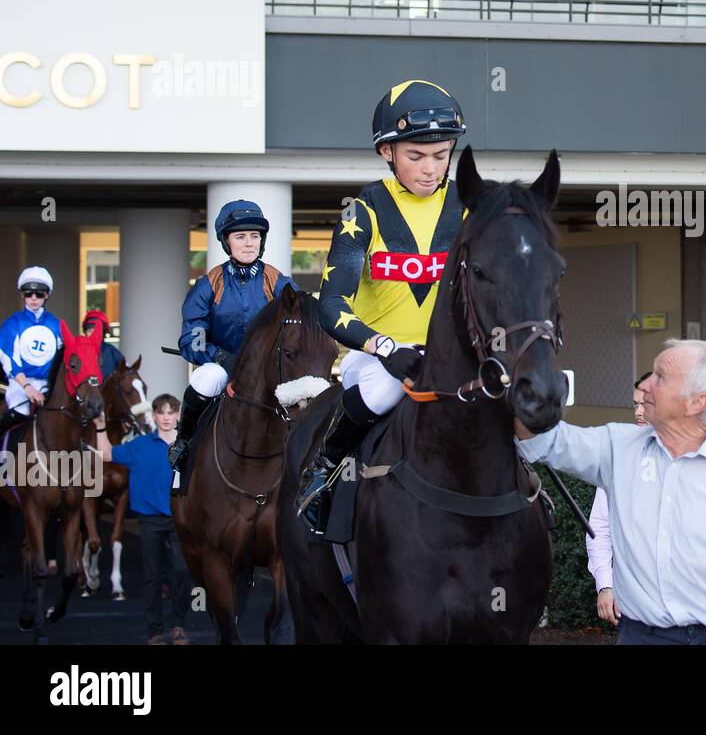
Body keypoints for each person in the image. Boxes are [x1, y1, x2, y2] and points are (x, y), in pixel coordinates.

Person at [517, 339, 706, 645]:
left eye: (660, 377)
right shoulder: (617, 448)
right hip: (641, 637)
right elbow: (545, 442)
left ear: (696, 403)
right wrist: (510, 378)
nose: (645, 385)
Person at [295, 80, 468, 534]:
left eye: (441, 154)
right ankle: (323, 471)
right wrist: (386, 347)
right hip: (375, 359)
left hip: (447, 359)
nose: (431, 168)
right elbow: (331, 305)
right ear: (387, 153)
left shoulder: (470, 208)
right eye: (416, 156)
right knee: (384, 391)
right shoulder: (362, 211)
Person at [170, 200, 297, 473]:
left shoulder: (279, 282)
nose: (249, 243)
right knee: (206, 379)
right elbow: (192, 339)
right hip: (223, 368)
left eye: (255, 236)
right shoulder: (208, 285)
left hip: (270, 370)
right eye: (240, 237)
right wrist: (218, 356)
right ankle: (184, 442)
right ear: (227, 242)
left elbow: (298, 326)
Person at [97, 393, 191, 645]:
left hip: (179, 519)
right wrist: (100, 425)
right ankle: (155, 630)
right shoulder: (140, 445)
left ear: (178, 415)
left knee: (183, 571)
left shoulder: (188, 446)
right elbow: (106, 454)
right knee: (151, 577)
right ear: (154, 416)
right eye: (162, 413)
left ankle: (178, 624)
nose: (167, 418)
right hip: (149, 520)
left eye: (171, 413)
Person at [588, 371, 652, 626]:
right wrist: (605, 585)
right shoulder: (619, 458)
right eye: (635, 405)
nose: (638, 412)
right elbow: (599, 527)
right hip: (633, 600)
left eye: (645, 405)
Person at [0, 267, 63, 431]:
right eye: (28, 293)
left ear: (47, 295)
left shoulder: (56, 325)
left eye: (39, 293)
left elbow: (62, 359)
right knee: (15, 418)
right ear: (22, 294)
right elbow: (10, 360)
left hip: (49, 387)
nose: (33, 298)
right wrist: (27, 387)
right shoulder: (12, 323)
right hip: (20, 387)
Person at [82, 310, 124, 378]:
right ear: (85, 333)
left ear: (103, 333)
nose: (93, 335)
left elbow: (125, 371)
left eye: (96, 331)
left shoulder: (112, 351)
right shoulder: (80, 351)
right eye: (90, 331)